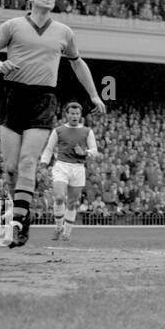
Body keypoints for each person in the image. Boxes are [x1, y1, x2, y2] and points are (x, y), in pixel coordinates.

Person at [0, 0, 106, 247]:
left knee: (27, 162)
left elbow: (77, 63)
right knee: (11, 168)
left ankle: (19, 223)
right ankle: (23, 215)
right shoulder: (12, 25)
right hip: (13, 95)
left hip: (43, 98)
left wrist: (94, 95)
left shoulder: (64, 32)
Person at [39, 102, 98, 241]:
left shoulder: (87, 131)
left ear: (80, 115)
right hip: (61, 166)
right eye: (72, 113)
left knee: (72, 202)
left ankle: (67, 233)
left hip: (78, 168)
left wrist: (85, 152)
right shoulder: (58, 130)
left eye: (77, 114)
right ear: (67, 114)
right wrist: (43, 165)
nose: (75, 116)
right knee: (59, 197)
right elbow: (48, 149)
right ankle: (58, 228)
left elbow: (95, 151)